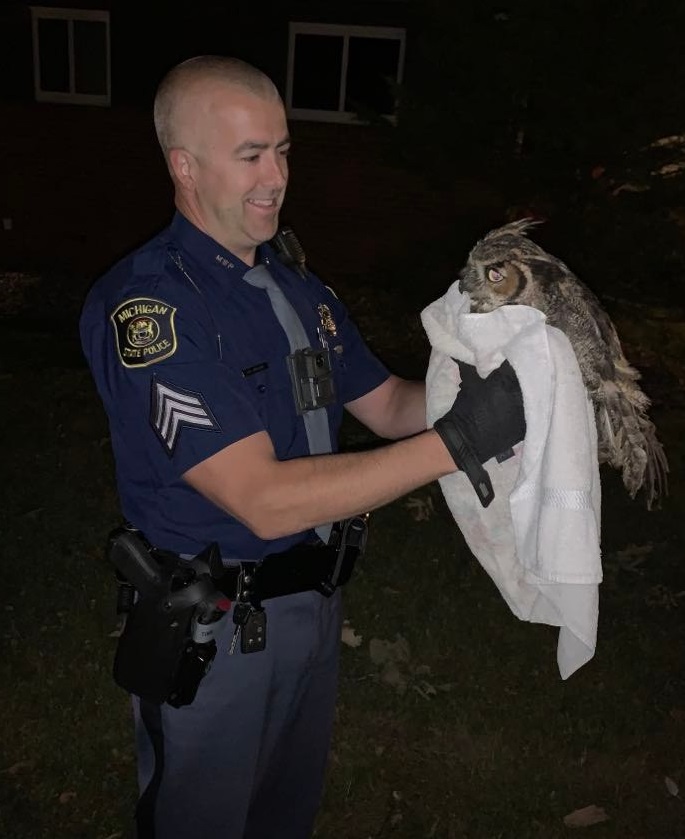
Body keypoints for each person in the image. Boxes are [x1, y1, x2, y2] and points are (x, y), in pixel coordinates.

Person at [79, 55, 525, 839]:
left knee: (284, 818)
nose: (275, 175)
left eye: (282, 149)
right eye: (249, 155)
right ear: (183, 165)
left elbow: (389, 406)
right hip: (213, 628)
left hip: (312, 609)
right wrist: (459, 442)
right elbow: (261, 495)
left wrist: (507, 392)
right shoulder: (152, 308)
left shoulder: (297, 290)